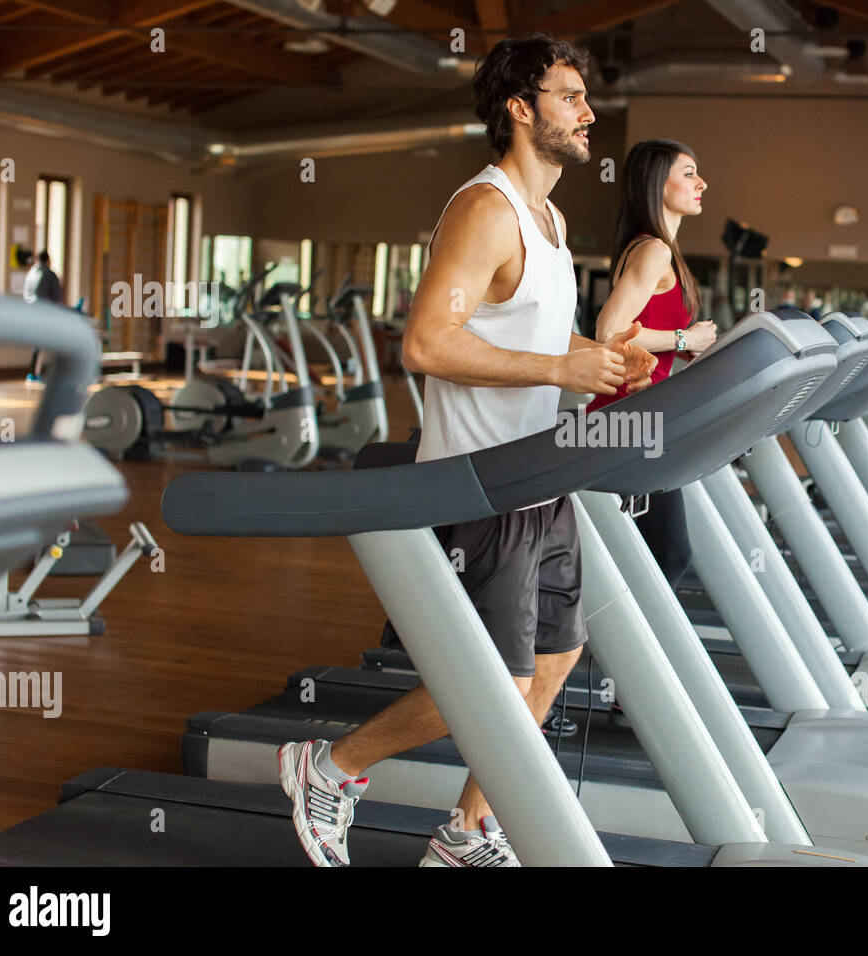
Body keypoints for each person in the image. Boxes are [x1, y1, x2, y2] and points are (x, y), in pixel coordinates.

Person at [276, 35, 655, 869]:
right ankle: (329, 766)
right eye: (567, 97)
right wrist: (562, 364)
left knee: (556, 659)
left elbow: (528, 341)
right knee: (493, 688)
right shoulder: (485, 210)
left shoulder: (551, 220)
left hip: (539, 479)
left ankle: (469, 829)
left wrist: (599, 355)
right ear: (520, 109)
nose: (588, 113)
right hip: (479, 488)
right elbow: (425, 343)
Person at [587, 140, 717, 590]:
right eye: (688, 173)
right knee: (669, 554)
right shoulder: (654, 250)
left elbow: (642, 330)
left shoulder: (661, 250)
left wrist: (685, 348)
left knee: (655, 554)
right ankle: (607, 650)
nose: (701, 183)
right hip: (626, 417)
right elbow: (610, 330)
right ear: (656, 184)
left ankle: (610, 649)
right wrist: (685, 337)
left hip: (640, 417)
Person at [23, 251, 62, 382]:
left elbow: (26, 295)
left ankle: (34, 373)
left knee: (37, 345)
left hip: (31, 313)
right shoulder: (50, 275)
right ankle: (56, 373)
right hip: (46, 313)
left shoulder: (30, 274)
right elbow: (56, 296)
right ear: (48, 261)